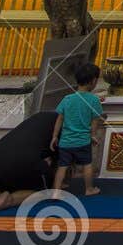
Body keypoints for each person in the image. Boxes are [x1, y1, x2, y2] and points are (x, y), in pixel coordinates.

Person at [0, 110, 58, 215]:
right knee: (44, 192)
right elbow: (63, 162)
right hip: (20, 162)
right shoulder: (64, 126)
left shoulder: (40, 117)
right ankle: (10, 200)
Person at [51, 62, 103, 196]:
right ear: (93, 81)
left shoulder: (67, 99)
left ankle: (56, 191)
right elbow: (95, 120)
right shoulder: (93, 100)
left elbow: (59, 119)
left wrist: (55, 136)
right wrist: (93, 135)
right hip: (83, 141)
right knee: (87, 164)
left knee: (62, 166)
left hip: (66, 141)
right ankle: (89, 189)